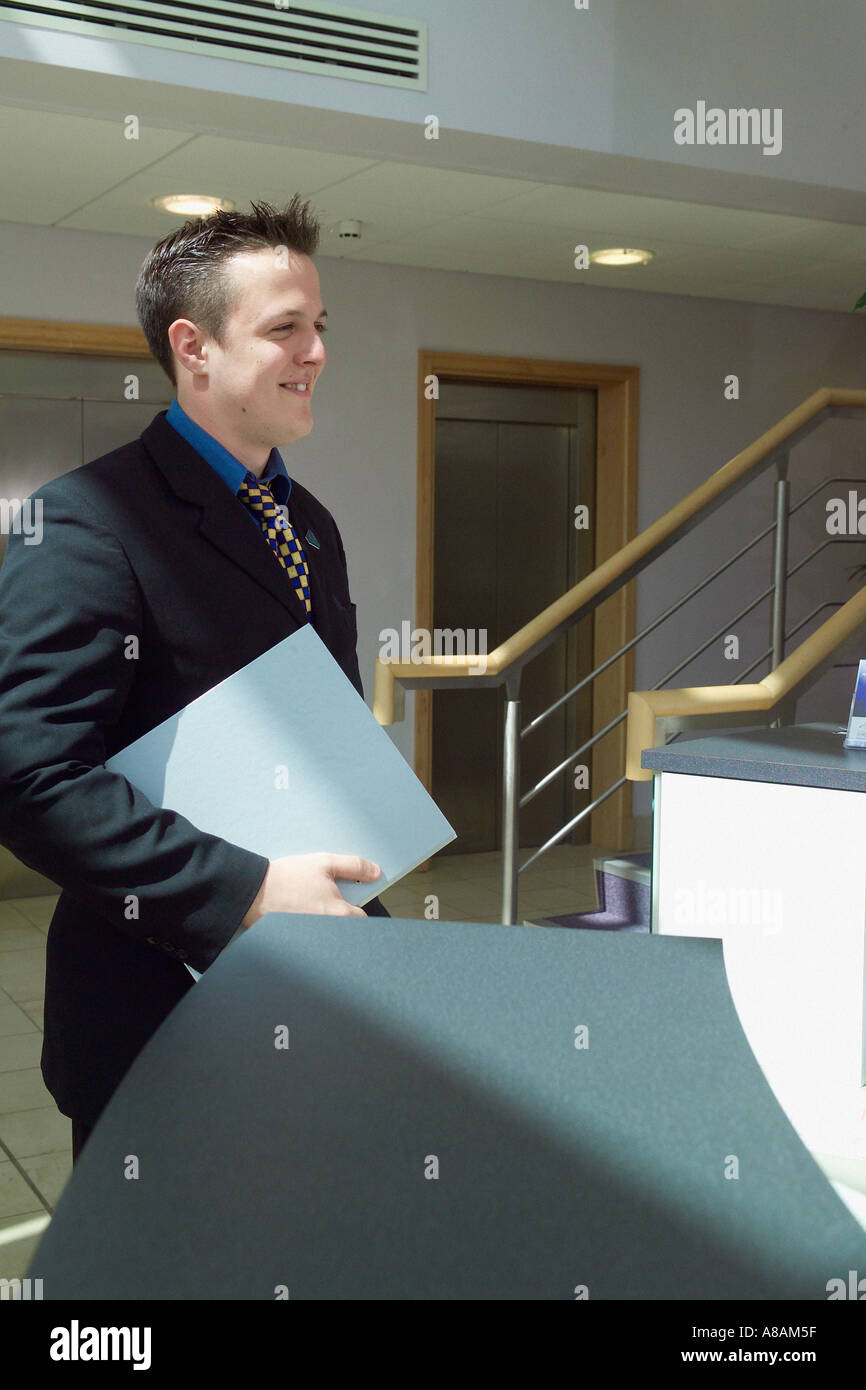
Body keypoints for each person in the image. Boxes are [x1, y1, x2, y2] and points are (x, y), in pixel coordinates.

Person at [0, 197, 388, 1163]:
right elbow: (29, 777)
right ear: (195, 347)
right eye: (285, 329)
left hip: (319, 998)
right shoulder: (90, 521)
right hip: (155, 1020)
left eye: (321, 327)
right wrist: (250, 893)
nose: (317, 353)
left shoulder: (312, 527)